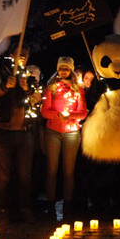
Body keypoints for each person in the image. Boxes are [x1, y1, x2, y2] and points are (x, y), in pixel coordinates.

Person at [39, 56, 88, 221]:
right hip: (53, 131)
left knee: (69, 171)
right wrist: (57, 115)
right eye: (61, 68)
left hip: (72, 133)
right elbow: (45, 111)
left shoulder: (77, 89)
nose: (64, 71)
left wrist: (71, 116)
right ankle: (50, 203)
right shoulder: (51, 88)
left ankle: (68, 203)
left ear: (71, 70)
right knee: (51, 170)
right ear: (57, 70)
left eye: (67, 68)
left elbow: (83, 112)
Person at [0, 54, 34, 222]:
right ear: (11, 56)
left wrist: (28, 88)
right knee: (3, 174)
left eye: (24, 56)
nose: (21, 58)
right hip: (3, 130)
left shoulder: (28, 75)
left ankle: (24, 208)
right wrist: (5, 87)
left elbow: (36, 98)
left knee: (25, 174)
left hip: (24, 131)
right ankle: (3, 209)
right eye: (18, 55)